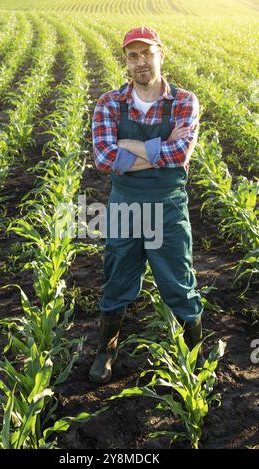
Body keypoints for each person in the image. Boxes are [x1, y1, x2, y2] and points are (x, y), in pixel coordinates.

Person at [90, 26, 204, 384]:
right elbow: (105, 159)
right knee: (117, 278)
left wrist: (133, 146)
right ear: (126, 61)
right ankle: (106, 351)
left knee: (178, 284)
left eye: (147, 53)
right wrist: (159, 149)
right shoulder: (109, 103)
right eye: (133, 55)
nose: (141, 62)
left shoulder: (184, 101)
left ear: (161, 53)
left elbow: (181, 152)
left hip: (168, 207)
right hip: (125, 207)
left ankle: (195, 360)